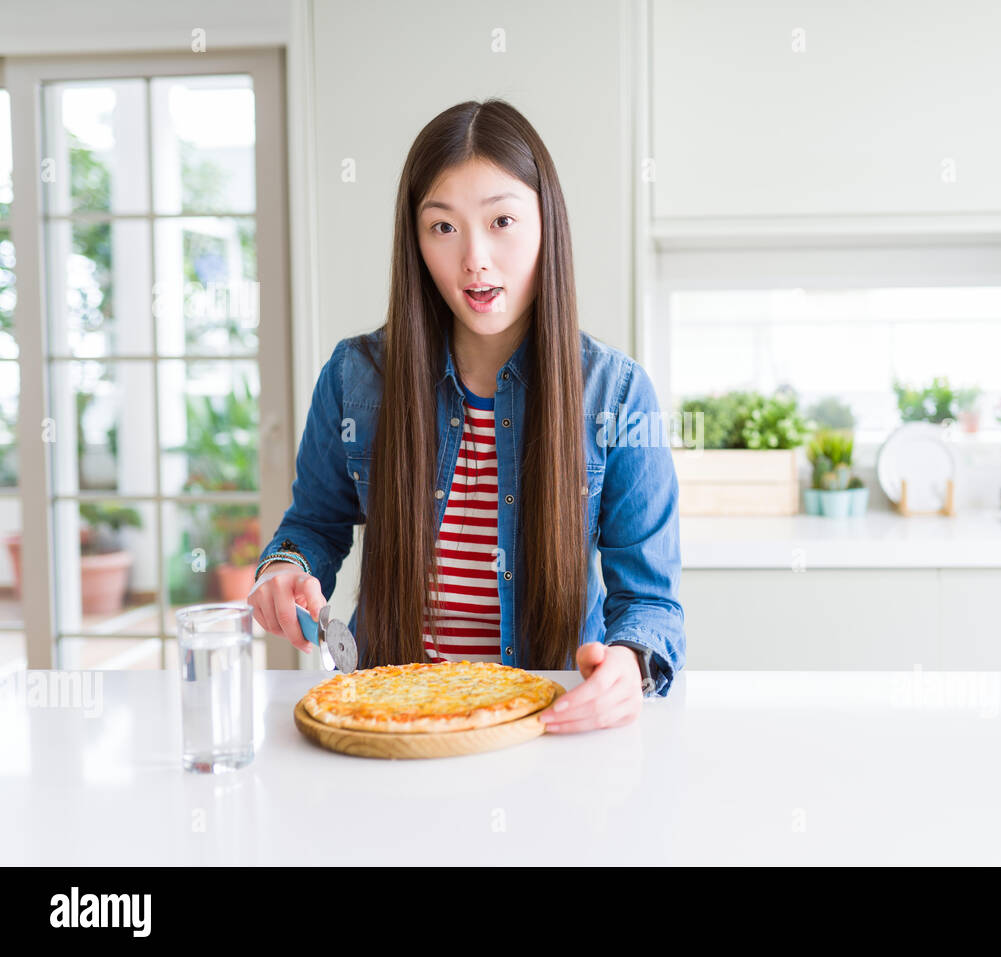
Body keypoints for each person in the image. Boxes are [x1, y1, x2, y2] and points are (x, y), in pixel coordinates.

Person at [249, 99, 684, 732]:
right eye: (443, 227)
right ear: (416, 241)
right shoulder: (354, 378)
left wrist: (629, 665)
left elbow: (649, 602)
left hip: (544, 729)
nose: (474, 257)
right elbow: (314, 524)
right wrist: (284, 567)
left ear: (546, 224)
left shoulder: (615, 394)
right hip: (393, 723)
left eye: (502, 220)